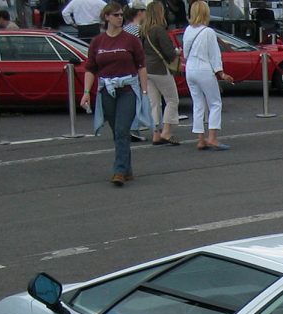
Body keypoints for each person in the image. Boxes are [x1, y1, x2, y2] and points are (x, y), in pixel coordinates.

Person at [80, 2, 149, 186]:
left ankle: (118, 171)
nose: (120, 18)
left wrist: (144, 91)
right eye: (116, 15)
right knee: (118, 131)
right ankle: (127, 169)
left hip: (127, 89)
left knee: (121, 129)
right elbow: (90, 69)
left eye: (121, 15)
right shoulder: (98, 42)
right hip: (107, 90)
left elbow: (141, 66)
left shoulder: (131, 40)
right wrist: (86, 92)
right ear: (107, 17)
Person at [183, 0, 234, 151]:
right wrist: (221, 73)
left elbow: (185, 53)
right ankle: (212, 137)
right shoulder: (208, 32)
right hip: (204, 70)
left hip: (190, 69)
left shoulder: (187, 30)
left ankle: (200, 139)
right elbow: (214, 55)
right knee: (215, 103)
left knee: (198, 104)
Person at [141, 0, 180, 146]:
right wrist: (177, 52)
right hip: (160, 68)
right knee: (172, 99)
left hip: (147, 69)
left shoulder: (143, 30)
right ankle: (167, 132)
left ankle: (156, 133)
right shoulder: (159, 30)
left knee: (154, 102)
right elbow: (169, 53)